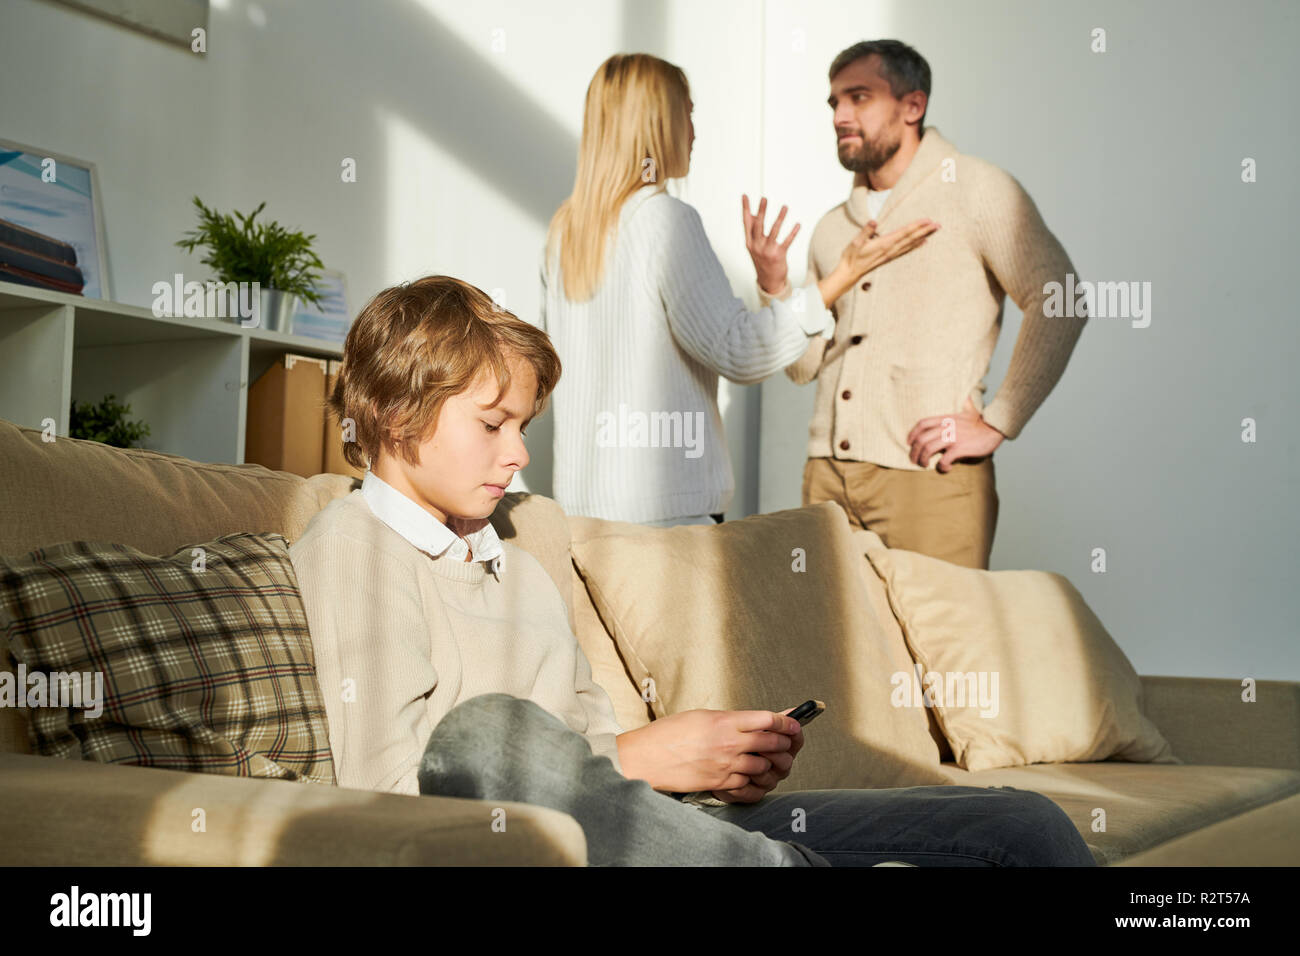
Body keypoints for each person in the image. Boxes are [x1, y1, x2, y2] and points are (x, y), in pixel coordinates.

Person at [288, 274, 1097, 867]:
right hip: (520, 850)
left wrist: (698, 765)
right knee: (483, 736)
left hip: (644, 831)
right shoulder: (356, 548)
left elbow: (597, 761)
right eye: (493, 423)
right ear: (395, 412)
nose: (519, 452)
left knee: (1018, 828)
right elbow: (388, 793)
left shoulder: (520, 557)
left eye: (524, 425)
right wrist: (635, 760)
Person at [539, 52, 938, 528]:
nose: (693, 131)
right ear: (658, 122)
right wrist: (839, 278)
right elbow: (741, 352)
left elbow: (552, 367)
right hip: (668, 522)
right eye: (687, 112)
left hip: (582, 518)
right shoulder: (664, 220)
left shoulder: (564, 232)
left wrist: (774, 283)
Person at [782, 40, 1089, 569]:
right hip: (826, 477)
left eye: (859, 97)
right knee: (832, 649)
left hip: (928, 478)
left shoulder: (976, 188)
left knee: (940, 650)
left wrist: (997, 421)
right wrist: (777, 291)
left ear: (912, 106)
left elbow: (1060, 298)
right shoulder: (832, 227)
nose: (840, 116)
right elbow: (803, 368)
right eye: (834, 102)